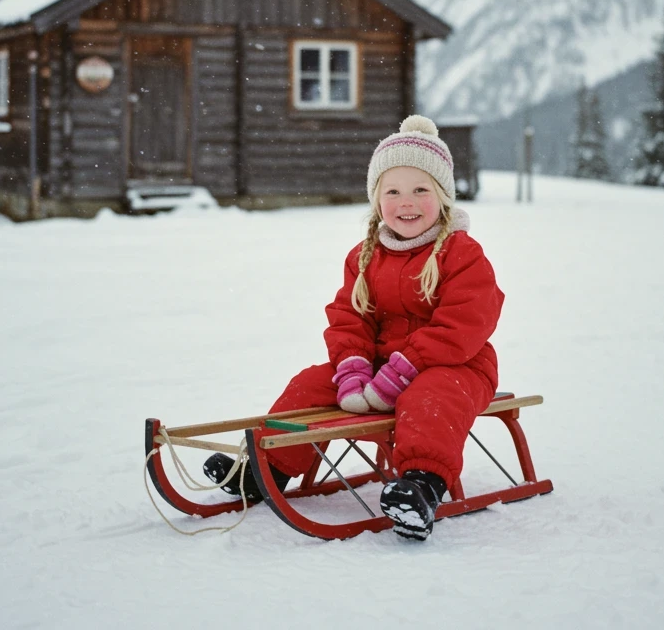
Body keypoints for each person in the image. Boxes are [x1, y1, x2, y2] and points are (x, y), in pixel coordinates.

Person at [204, 115, 504, 540]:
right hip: (377, 370)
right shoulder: (365, 256)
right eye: (393, 191)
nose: (407, 203)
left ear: (443, 197)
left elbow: (465, 323)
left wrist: (407, 366)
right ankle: (263, 471)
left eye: (421, 190)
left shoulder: (461, 253)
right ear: (376, 200)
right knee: (309, 384)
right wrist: (353, 366)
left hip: (458, 367)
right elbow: (350, 317)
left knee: (430, 397)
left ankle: (421, 486)